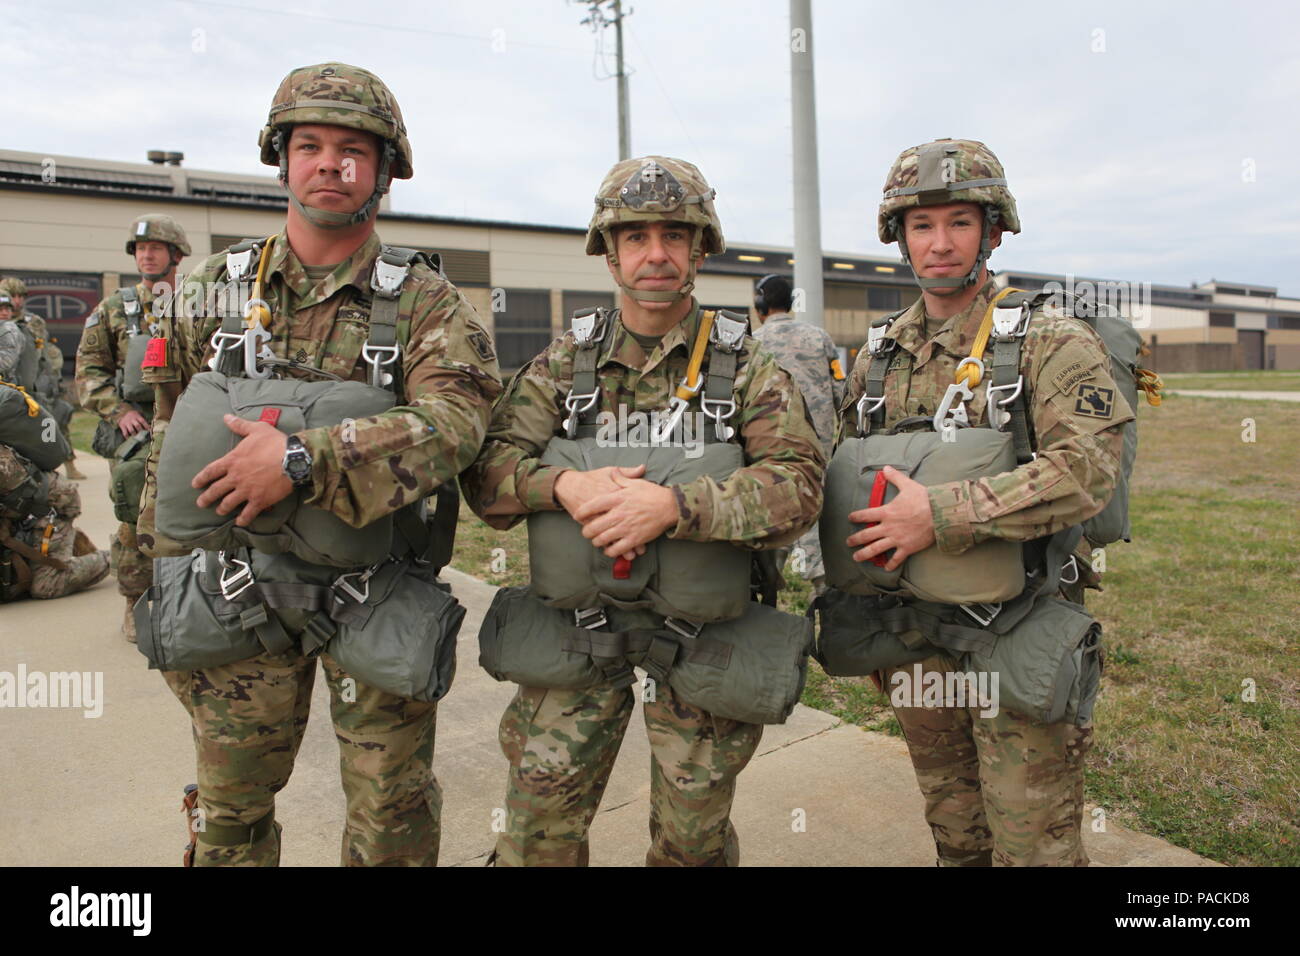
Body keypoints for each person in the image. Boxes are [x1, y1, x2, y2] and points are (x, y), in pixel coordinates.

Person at [134, 62, 502, 866]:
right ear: (283, 159)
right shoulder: (207, 291)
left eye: (351, 150)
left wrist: (305, 460)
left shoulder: (426, 304)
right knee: (231, 813)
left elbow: (459, 422)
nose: (329, 164)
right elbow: (170, 442)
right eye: (310, 145)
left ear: (384, 172)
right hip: (233, 589)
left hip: (373, 593)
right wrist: (150, 590)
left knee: (390, 816)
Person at [462, 155, 825, 866]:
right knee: (535, 833)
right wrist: (563, 487)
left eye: (674, 236)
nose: (655, 254)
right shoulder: (567, 364)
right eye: (635, 237)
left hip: (700, 638)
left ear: (699, 249)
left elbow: (801, 486)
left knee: (691, 844)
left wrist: (678, 506)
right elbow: (486, 474)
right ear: (609, 251)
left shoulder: (746, 367)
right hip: (577, 631)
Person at [831, 138, 1134, 866]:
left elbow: (1087, 468)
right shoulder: (879, 355)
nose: (939, 244)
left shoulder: (1048, 339)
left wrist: (937, 514)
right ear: (899, 236)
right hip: (914, 635)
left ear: (993, 231)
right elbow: (847, 473)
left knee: (1035, 845)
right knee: (955, 830)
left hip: (1019, 624)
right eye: (922, 225)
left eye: (959, 223)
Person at [75, 215, 190, 641]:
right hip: (138, 432)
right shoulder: (113, 309)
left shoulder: (199, 304)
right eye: (140, 249)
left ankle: (195, 597)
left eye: (156, 248)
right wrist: (118, 410)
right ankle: (135, 601)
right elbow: (88, 372)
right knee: (134, 517)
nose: (146, 255)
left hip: (190, 424)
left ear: (176, 255)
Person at [750, 272, 844, 594]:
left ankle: (769, 590)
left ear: (760, 304)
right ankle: (823, 592)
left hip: (771, 450)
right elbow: (840, 392)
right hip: (819, 448)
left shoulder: (752, 343)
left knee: (772, 513)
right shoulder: (820, 338)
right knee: (818, 511)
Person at [0, 441, 110, 601]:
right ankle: (67, 542)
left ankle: (114, 555)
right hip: (19, 516)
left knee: (46, 585)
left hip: (51, 509)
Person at [0, 277, 82, 480]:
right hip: (10, 388)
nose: (17, 301)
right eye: (12, 296)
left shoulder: (32, 323)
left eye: (20, 296)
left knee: (52, 427)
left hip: (36, 386)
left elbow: (45, 354)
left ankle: (64, 465)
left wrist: (51, 381)